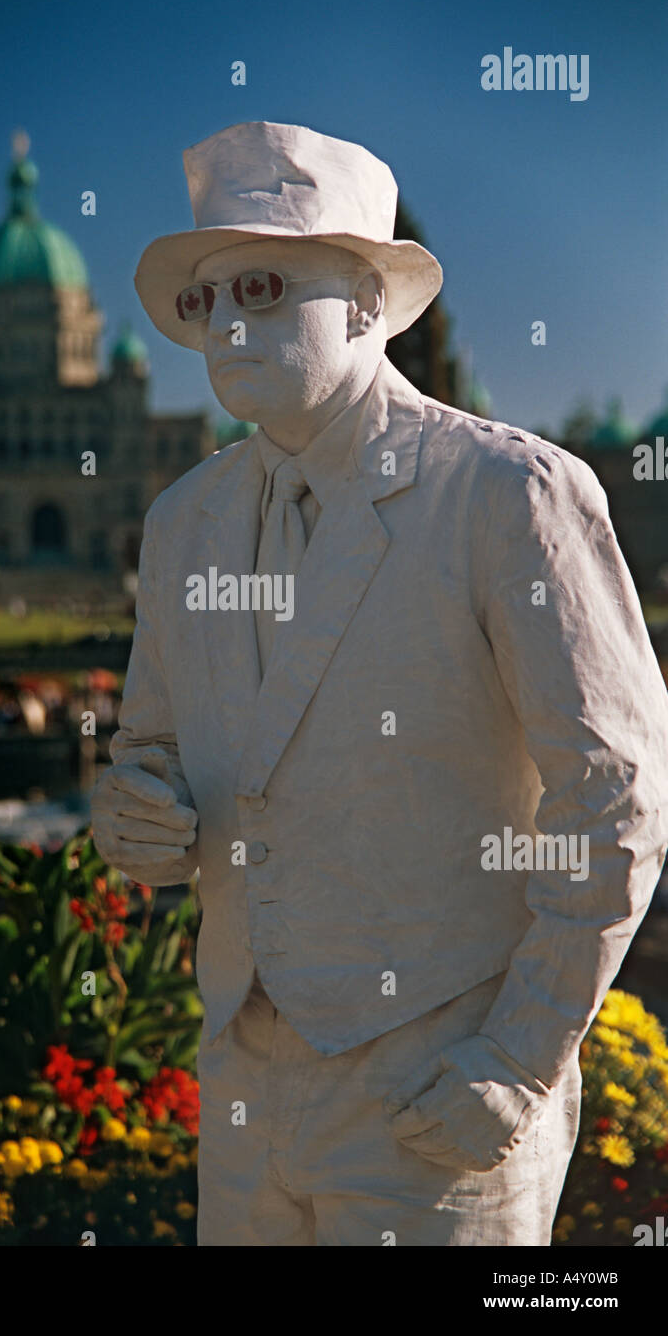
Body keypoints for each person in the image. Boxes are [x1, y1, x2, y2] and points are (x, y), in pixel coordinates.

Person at [91, 121, 668, 1246]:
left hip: (438, 1085)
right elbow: (149, 758)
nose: (229, 322)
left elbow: (620, 798)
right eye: (207, 301)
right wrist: (138, 817)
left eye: (261, 283)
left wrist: (515, 1060)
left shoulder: (510, 494)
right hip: (247, 1088)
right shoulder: (183, 524)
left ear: (366, 295)